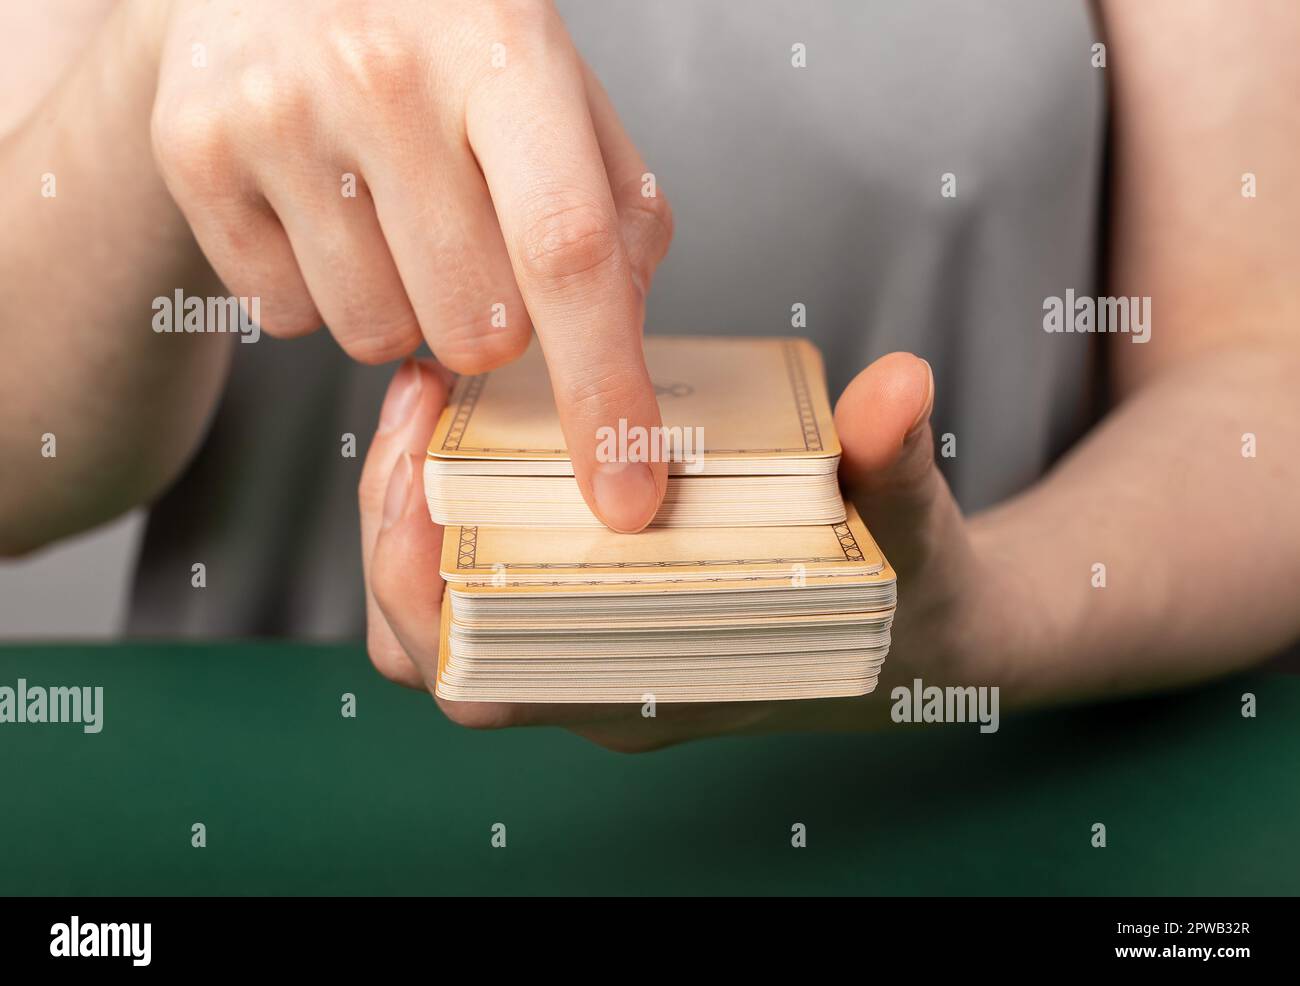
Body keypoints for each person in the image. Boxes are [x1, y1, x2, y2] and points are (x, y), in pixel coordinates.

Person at [2, 1, 1297, 751]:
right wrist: (155, 53)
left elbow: (1263, 367)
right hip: (278, 809)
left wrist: (979, 625)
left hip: (961, 787)